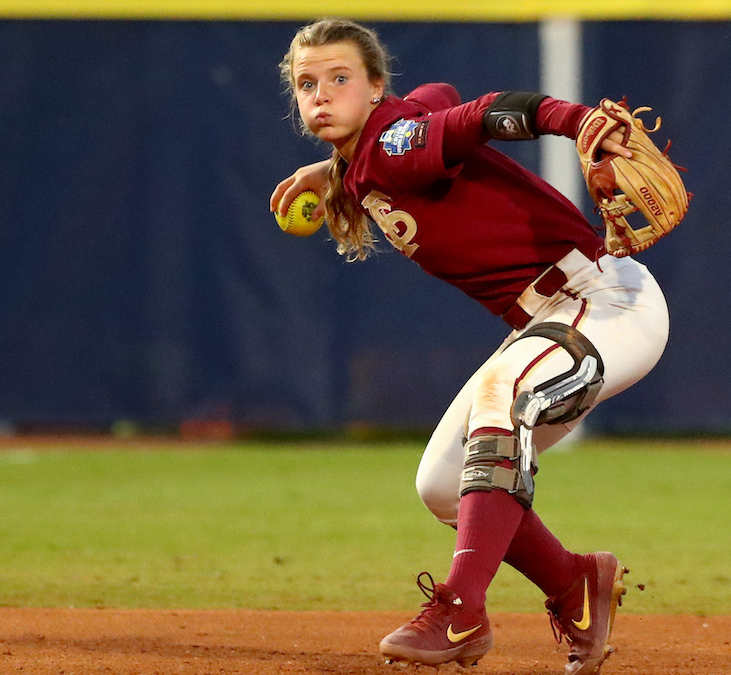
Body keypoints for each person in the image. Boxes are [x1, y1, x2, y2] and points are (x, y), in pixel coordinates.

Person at [270, 18, 670, 675]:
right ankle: (575, 585)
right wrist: (334, 167)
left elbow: (484, 113)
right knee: (442, 485)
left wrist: (576, 123)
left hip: (603, 305)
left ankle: (460, 609)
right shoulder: (384, 139)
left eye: (341, 79)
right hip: (555, 315)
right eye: (307, 84)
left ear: (374, 87)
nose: (321, 95)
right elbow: (438, 92)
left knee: (501, 392)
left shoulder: (393, 147)